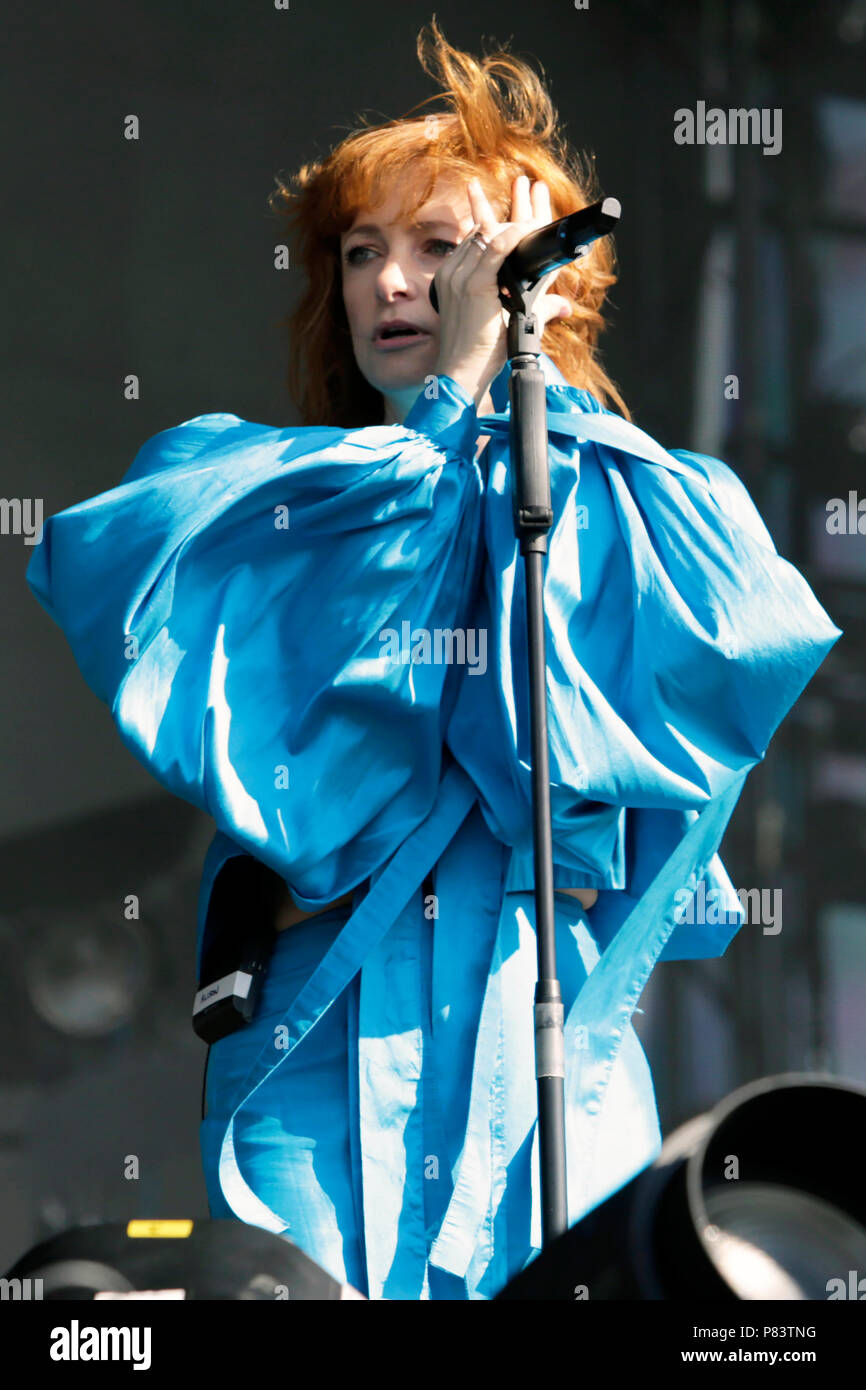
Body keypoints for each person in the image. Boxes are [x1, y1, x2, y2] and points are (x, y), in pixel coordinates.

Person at [25, 20, 841, 1301]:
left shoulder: (655, 507)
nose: (393, 284)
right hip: (319, 1034)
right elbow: (346, 754)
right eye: (362, 253)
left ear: (550, 279)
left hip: (549, 1044)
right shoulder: (266, 486)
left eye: (441, 250)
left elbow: (611, 743)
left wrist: (499, 408)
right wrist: (456, 395)